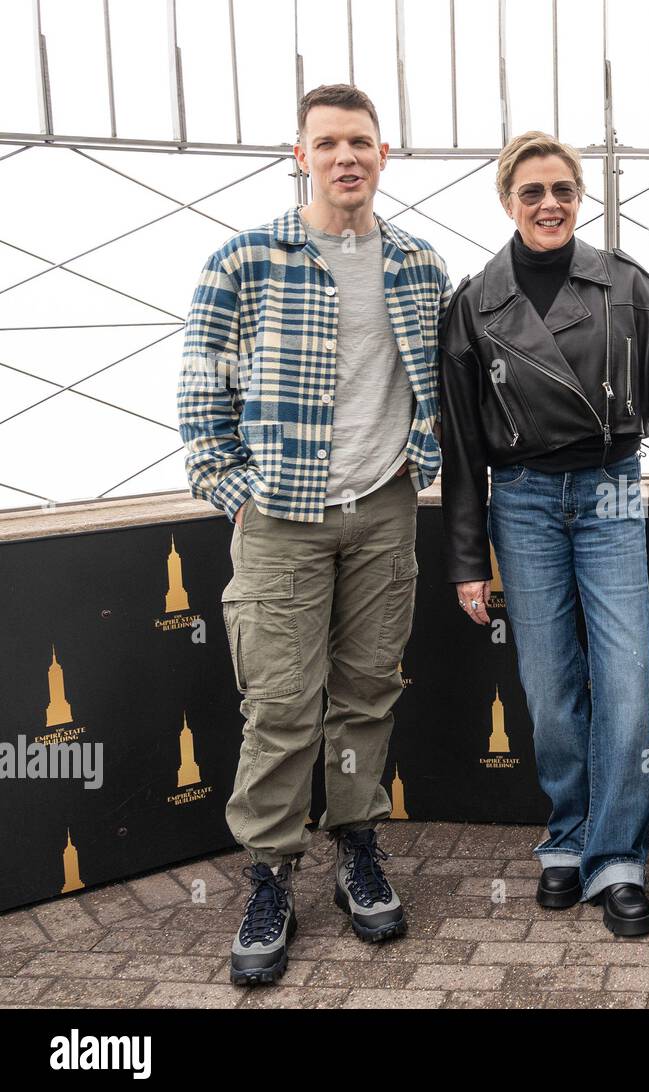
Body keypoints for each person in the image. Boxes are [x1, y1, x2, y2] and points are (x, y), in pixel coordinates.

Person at [178, 83, 452, 984]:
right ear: (299, 154)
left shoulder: (419, 265)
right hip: (281, 520)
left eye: (361, 142)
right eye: (328, 142)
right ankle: (269, 876)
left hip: (382, 509)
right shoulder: (243, 261)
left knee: (367, 692)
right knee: (282, 705)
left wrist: (421, 458)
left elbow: (437, 385)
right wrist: (232, 489)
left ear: (384, 156)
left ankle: (356, 849)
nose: (346, 156)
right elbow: (199, 392)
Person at [440, 131, 649, 937]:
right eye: (531, 192)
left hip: (609, 491)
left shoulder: (624, 284)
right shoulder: (472, 302)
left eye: (562, 189)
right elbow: (460, 445)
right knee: (550, 689)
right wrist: (469, 557)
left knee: (626, 680)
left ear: (581, 196)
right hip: (522, 500)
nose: (549, 204)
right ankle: (565, 839)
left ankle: (617, 858)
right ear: (507, 201)